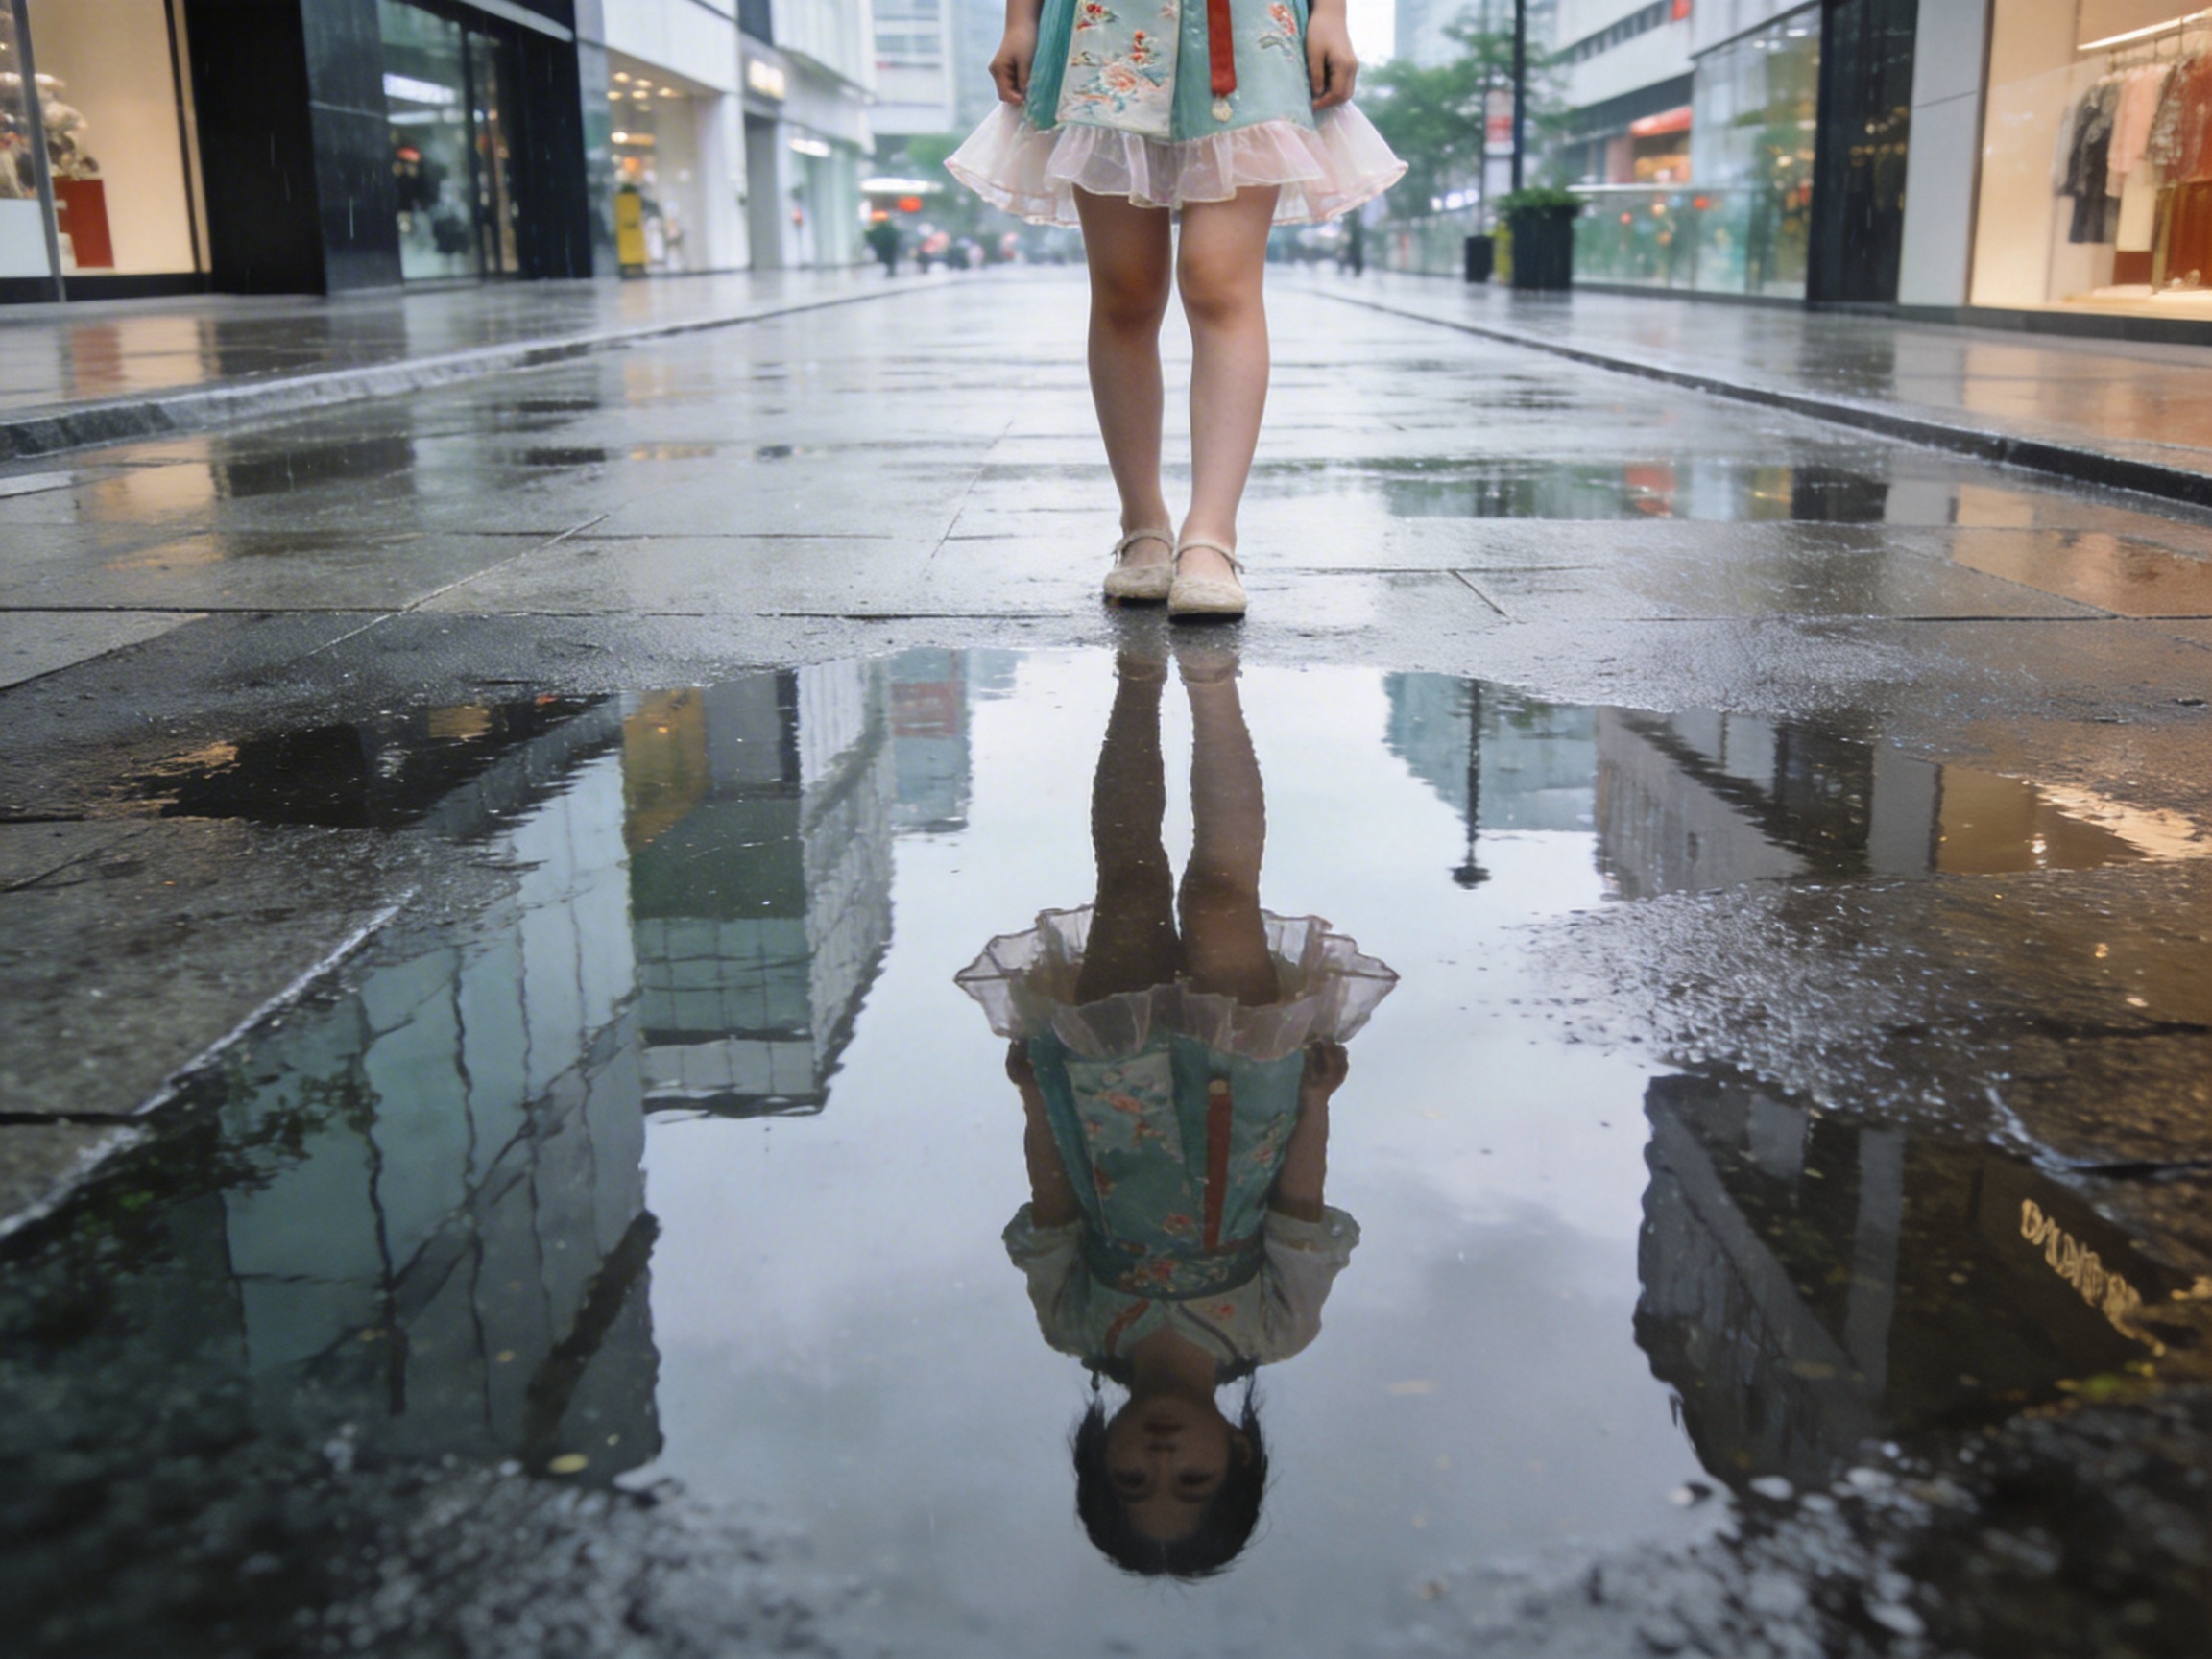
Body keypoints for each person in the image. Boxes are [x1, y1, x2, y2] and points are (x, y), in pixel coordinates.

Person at [955, 641, 1396, 1575]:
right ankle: (1215, 688)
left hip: (1103, 1091)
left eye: (1131, 1483)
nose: (1161, 1461)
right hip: (1252, 1094)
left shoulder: (1075, 1325)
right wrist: (1314, 1103)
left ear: (1099, 1461)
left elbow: (1055, 1210)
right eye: (1192, 1482)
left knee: (1129, 882)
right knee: (1224, 899)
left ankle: (1139, 679)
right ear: (1235, 1455)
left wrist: (1036, 1099)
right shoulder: (1276, 1330)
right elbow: (1300, 1216)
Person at [946, 0, 1404, 618]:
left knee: (1220, 281)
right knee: (1126, 289)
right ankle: (1144, 525)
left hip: (1244, 28)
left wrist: (1332, 14)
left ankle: (1212, 536)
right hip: (1104, 27)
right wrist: (1018, 21)